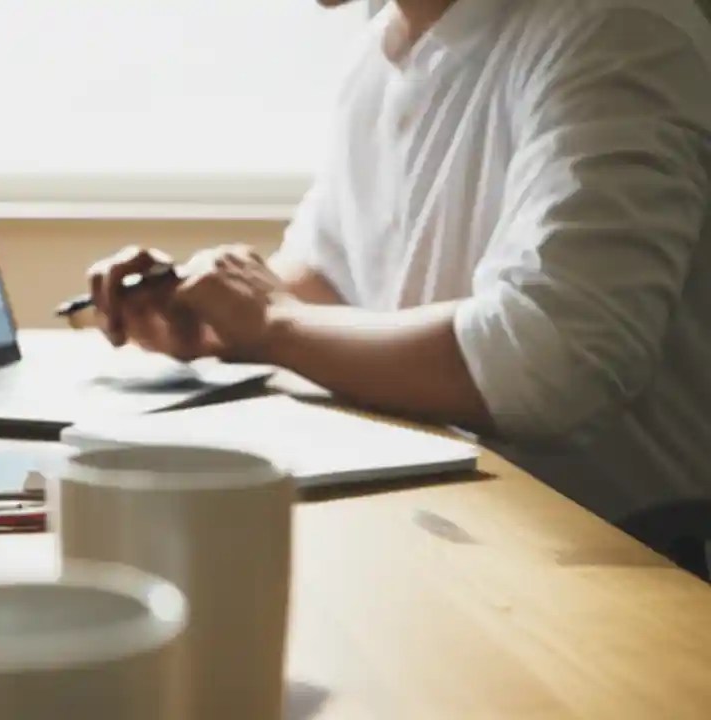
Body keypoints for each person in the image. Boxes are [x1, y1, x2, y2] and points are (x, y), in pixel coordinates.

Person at [85, 0, 711, 527]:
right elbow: (332, 284)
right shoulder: (381, 54)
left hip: (629, 553)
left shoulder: (619, 30)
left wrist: (274, 322)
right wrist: (215, 318)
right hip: (458, 521)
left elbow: (551, 364)